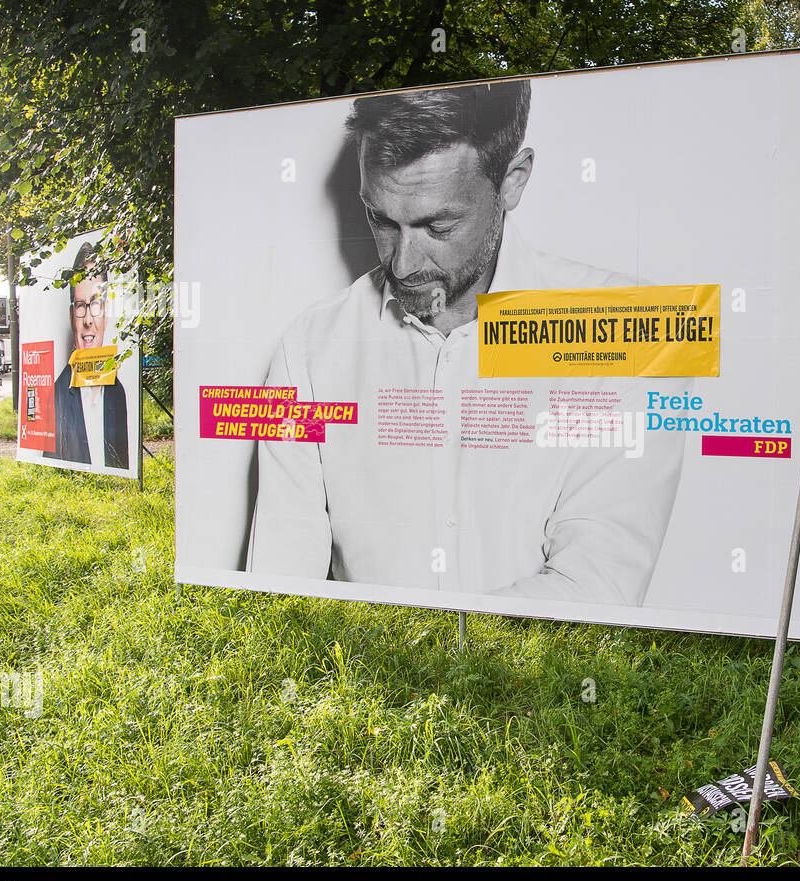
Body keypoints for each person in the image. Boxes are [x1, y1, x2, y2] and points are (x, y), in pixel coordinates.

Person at [247, 80, 687, 605]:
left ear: (513, 181)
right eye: (381, 219)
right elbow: (278, 587)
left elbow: (596, 587)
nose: (402, 263)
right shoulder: (307, 349)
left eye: (437, 225)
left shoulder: (631, 331)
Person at [45, 243, 129, 469]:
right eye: (81, 306)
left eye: (95, 304)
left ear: (106, 311)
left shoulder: (117, 393)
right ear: (72, 315)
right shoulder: (56, 396)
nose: (89, 320)